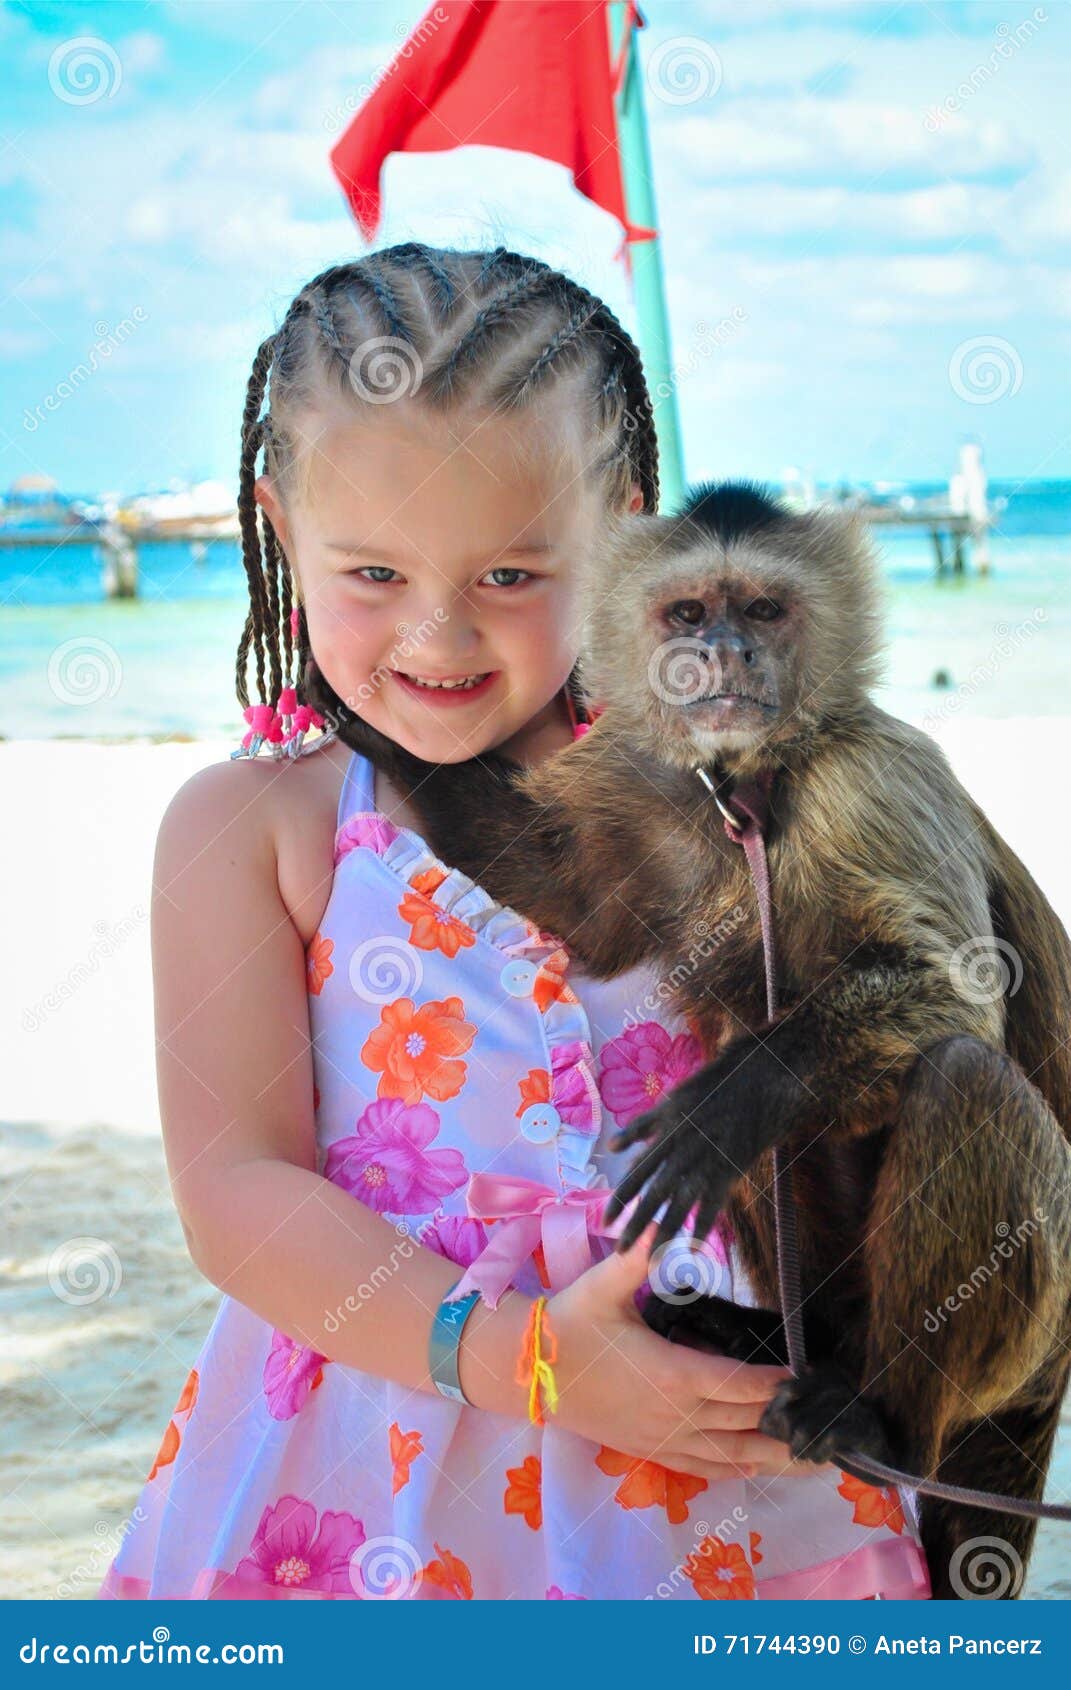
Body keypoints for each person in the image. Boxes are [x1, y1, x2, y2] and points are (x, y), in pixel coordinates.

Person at [98, 244, 930, 1601]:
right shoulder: (257, 827)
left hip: (708, 1436)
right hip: (379, 1443)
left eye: (511, 575)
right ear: (279, 523)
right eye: (369, 573)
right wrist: (526, 1356)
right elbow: (238, 1193)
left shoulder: (733, 800)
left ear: (626, 529)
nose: (437, 634)